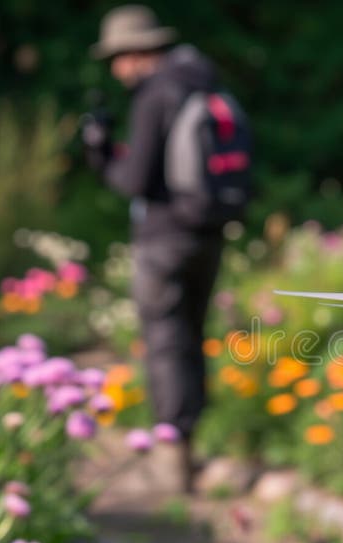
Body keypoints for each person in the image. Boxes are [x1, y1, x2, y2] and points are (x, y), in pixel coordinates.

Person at [83, 5, 235, 492]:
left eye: (117, 58)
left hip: (164, 237)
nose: (115, 69)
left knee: (165, 341)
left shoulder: (155, 93)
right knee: (191, 335)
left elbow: (135, 180)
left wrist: (102, 154)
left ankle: (171, 463)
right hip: (210, 232)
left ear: (134, 54)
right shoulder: (203, 81)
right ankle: (193, 446)